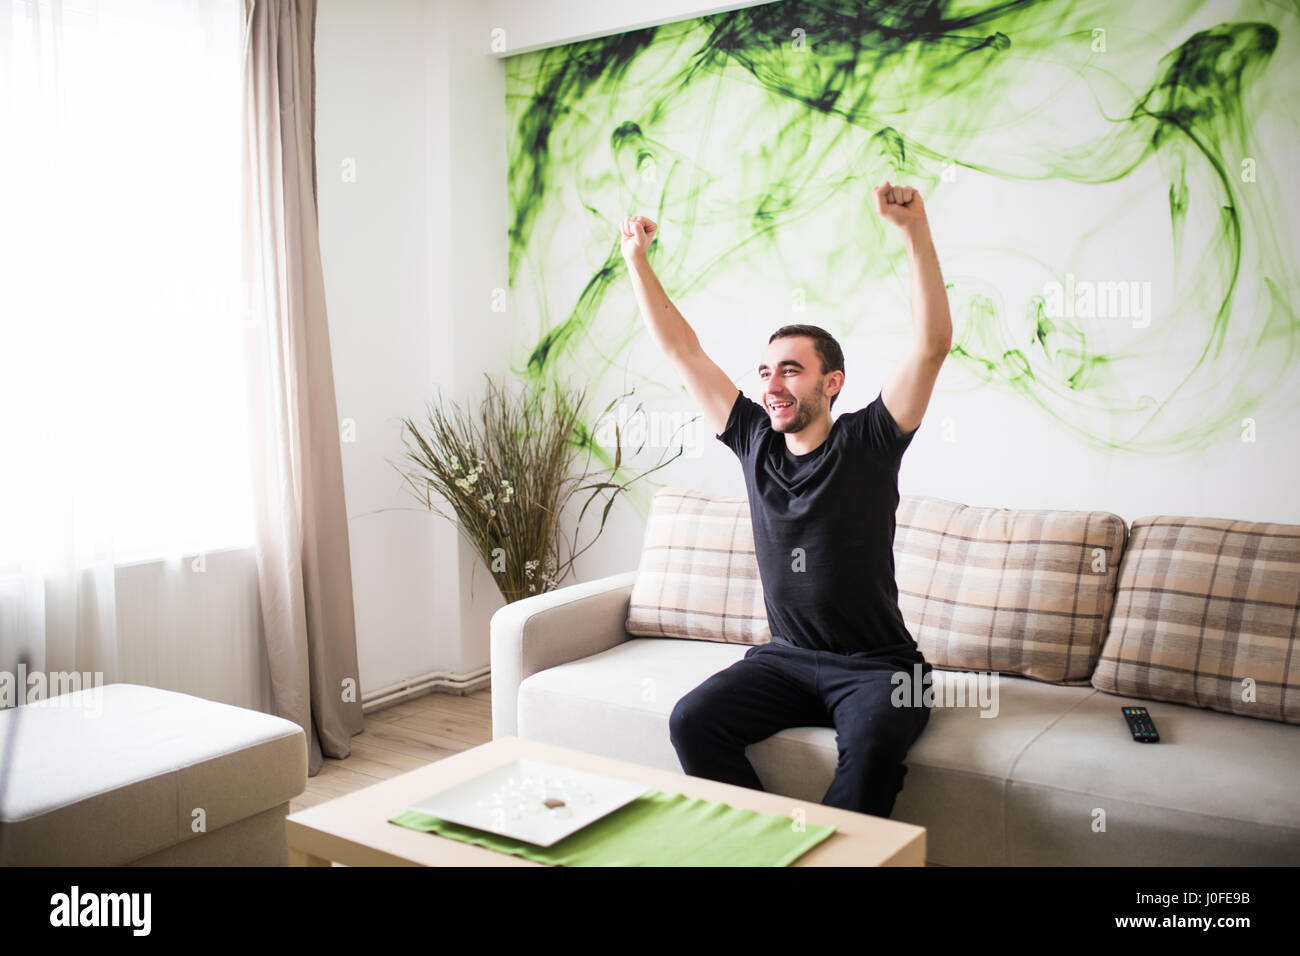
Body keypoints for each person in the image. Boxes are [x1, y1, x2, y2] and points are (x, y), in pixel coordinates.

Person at [617, 182, 953, 818]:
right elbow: (681, 349)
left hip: (881, 669)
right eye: (766, 371)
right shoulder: (753, 442)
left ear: (832, 382)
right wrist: (637, 260)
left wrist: (915, 235)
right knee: (693, 720)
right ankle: (768, 845)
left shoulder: (871, 440)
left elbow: (931, 346)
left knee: (876, 747)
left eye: (790, 370)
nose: (772, 384)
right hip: (786, 661)